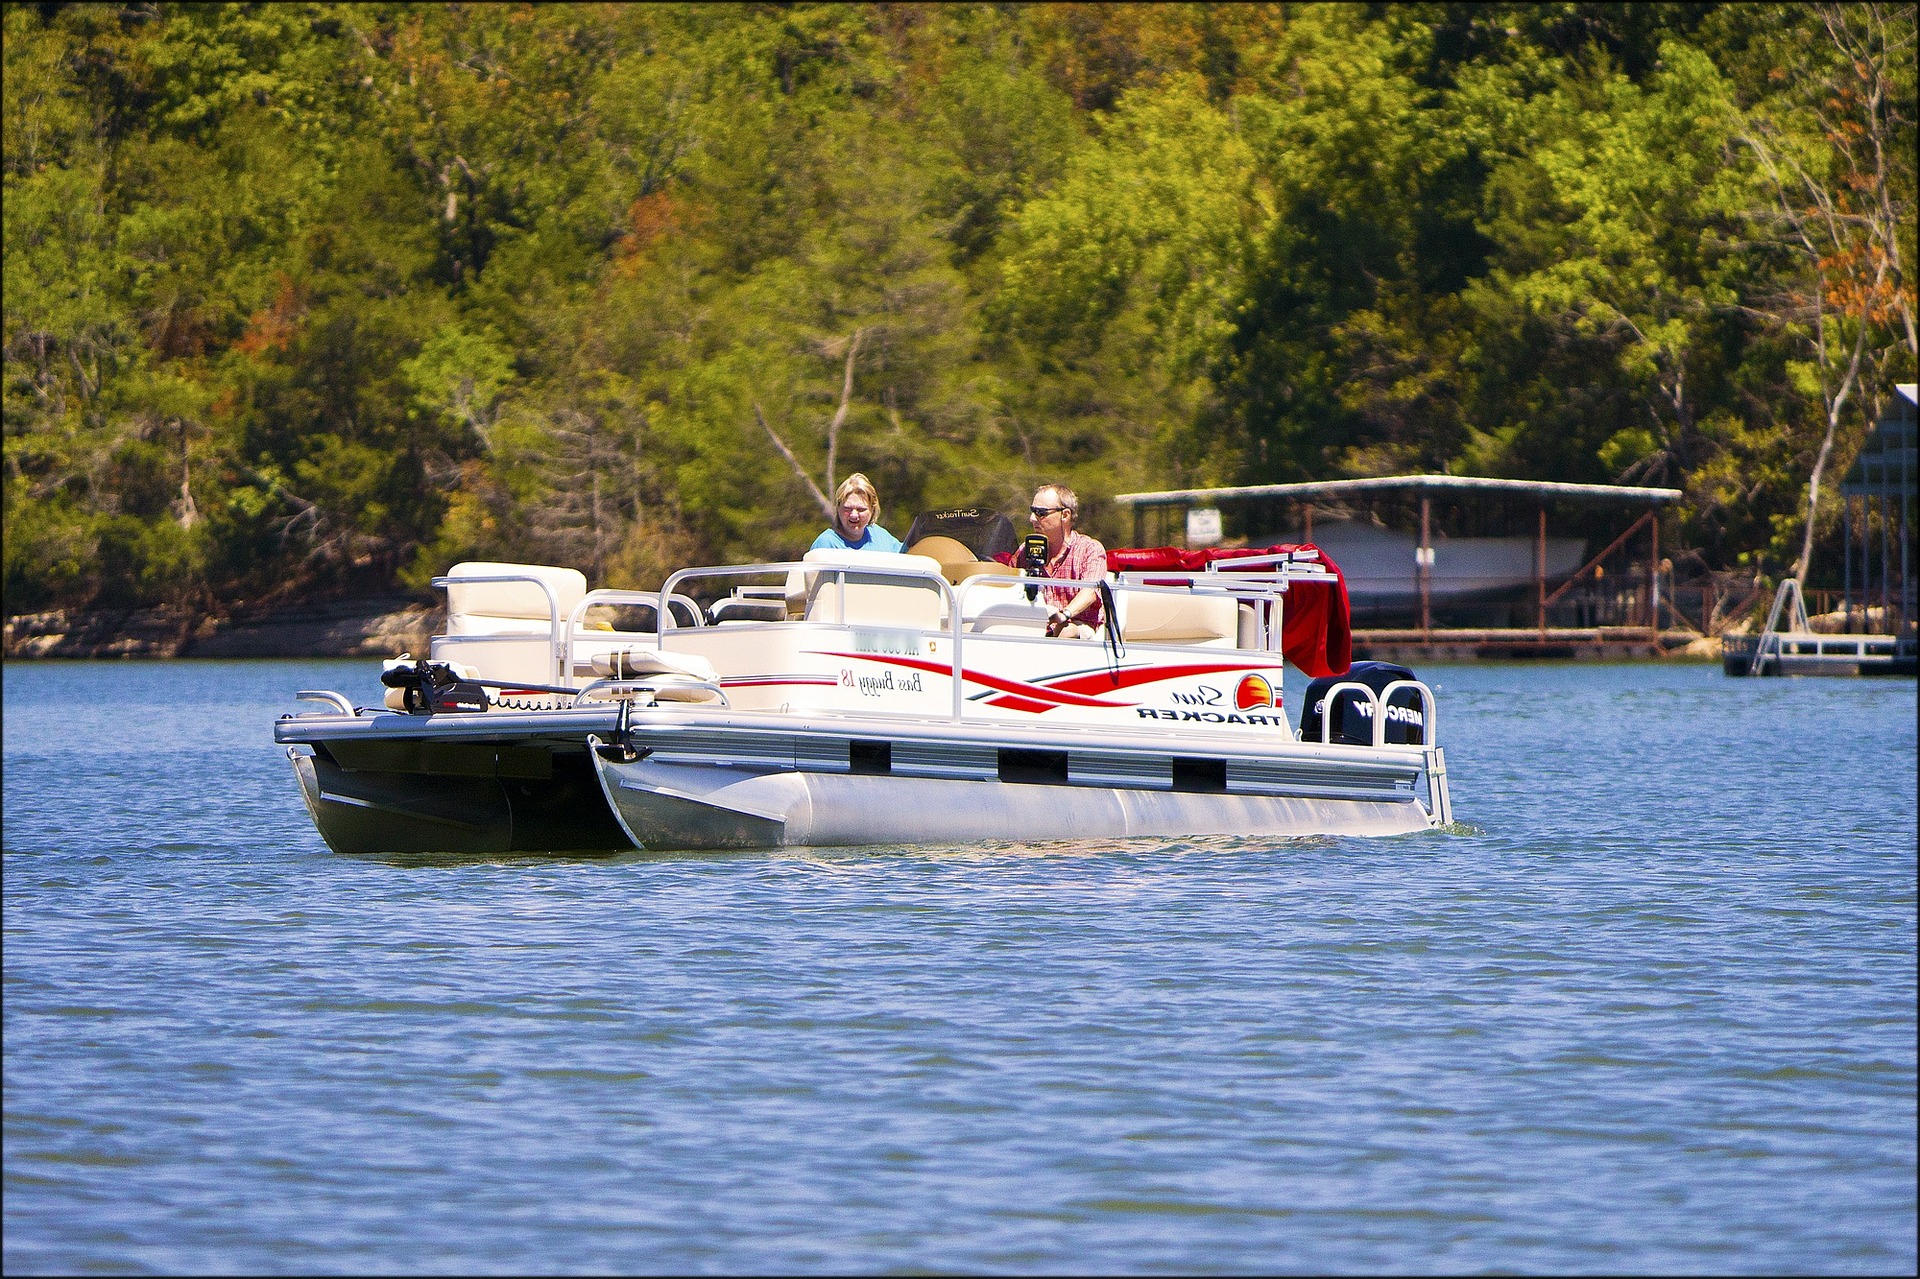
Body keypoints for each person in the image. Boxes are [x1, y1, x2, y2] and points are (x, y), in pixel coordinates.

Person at [1028, 483, 1107, 637]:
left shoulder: (1090, 549)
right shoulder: (1027, 550)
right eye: (1032, 511)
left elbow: (1090, 591)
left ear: (1065, 515)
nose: (1032, 518)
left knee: (1065, 631)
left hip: (1079, 625)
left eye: (1040, 513)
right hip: (1036, 627)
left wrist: (1064, 615)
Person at [811, 473, 904, 553]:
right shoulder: (826, 544)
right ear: (838, 508)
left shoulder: (881, 537)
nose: (854, 515)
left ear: (872, 509)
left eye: (861, 509)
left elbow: (908, 556)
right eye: (847, 508)